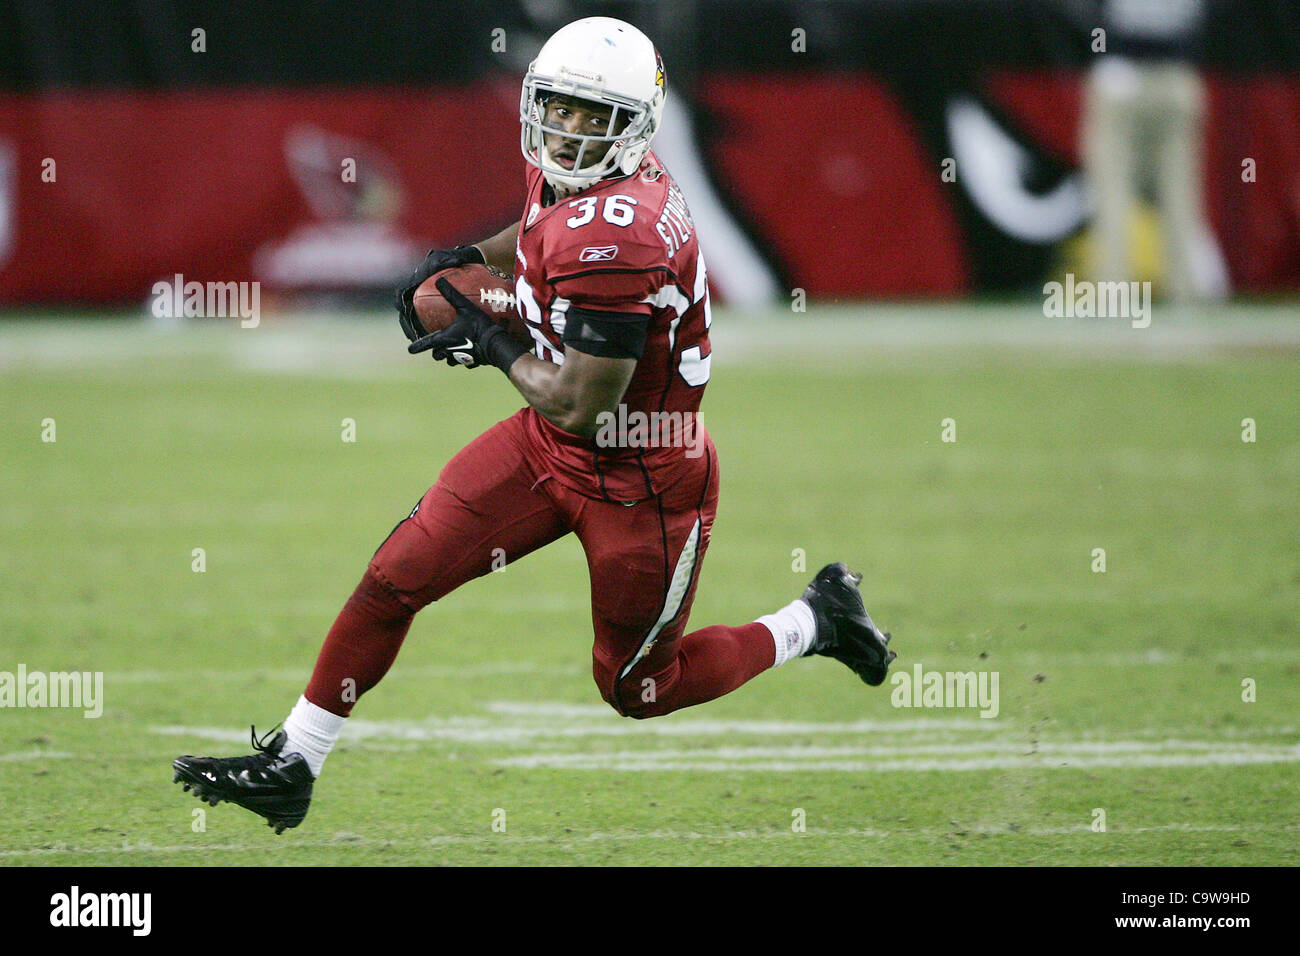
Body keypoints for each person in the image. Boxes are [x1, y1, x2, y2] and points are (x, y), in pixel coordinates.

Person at [173, 16, 895, 834]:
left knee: (639, 687)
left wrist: (488, 335)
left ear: (635, 129)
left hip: (641, 477)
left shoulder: (621, 234)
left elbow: (583, 398)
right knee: (395, 576)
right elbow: (541, 223)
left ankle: (817, 620)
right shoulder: (577, 174)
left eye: (595, 117)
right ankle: (293, 762)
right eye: (559, 107)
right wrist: (467, 260)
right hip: (549, 447)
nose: (569, 131)